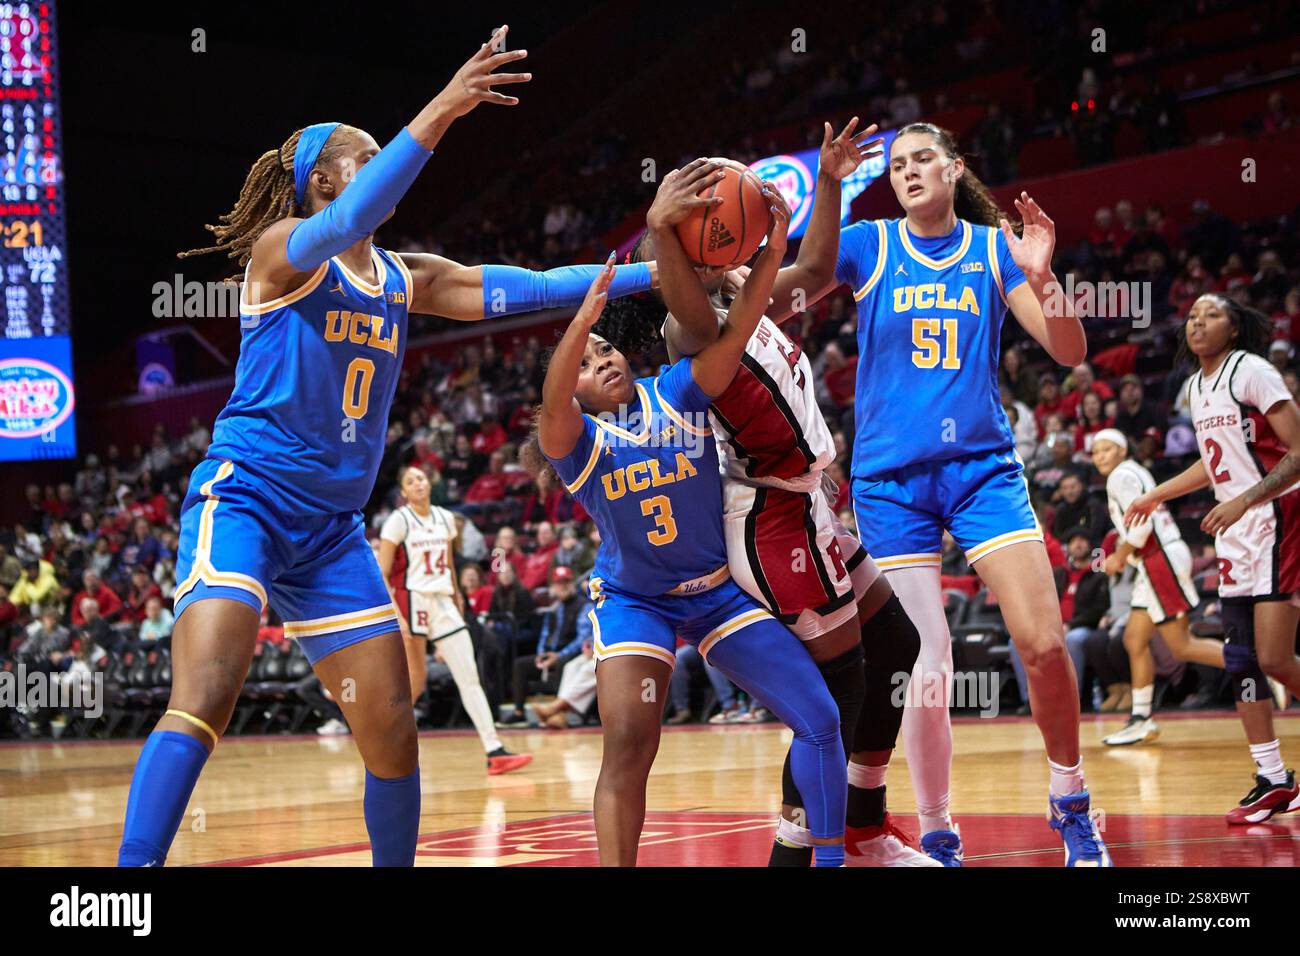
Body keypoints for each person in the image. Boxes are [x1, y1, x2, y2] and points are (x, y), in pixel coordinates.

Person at [116, 27, 657, 868]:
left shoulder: (409, 277)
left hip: (331, 532)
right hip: (247, 501)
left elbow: (540, 287)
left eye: (382, 152)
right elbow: (355, 216)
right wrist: (445, 106)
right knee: (207, 696)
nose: (378, 166)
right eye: (363, 155)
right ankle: (130, 881)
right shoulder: (281, 257)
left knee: (393, 730)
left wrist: (651, 275)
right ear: (322, 182)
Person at [771, 120, 1110, 865]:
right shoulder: (870, 243)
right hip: (891, 481)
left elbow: (1068, 349)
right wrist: (828, 182)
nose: (909, 170)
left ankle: (1071, 800)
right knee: (925, 664)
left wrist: (1045, 275)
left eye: (924, 158)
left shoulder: (995, 250)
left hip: (981, 468)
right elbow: (806, 273)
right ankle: (936, 829)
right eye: (897, 164)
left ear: (955, 169)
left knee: (1045, 645)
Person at [628, 135, 930, 866]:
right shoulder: (687, 324)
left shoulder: (739, 289)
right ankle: (797, 852)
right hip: (767, 517)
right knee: (833, 692)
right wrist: (661, 225)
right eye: (704, 217)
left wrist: (828, 182)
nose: (720, 221)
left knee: (896, 643)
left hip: (807, 502)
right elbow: (694, 307)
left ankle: (861, 826)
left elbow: (821, 269)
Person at [530, 208, 850, 867]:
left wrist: (772, 251)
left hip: (714, 594)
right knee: (628, 742)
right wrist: (579, 326)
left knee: (820, 718)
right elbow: (552, 402)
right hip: (635, 603)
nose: (603, 362)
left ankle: (831, 860)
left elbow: (735, 334)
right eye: (588, 364)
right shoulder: (576, 441)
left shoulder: (678, 390)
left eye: (606, 350)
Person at [1126, 294, 1300, 823]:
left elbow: (1298, 450)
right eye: (1194, 317)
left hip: (1275, 522)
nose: (1199, 323)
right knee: (1241, 661)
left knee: (1271, 659)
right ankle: (1272, 778)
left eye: (1213, 315)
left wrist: (1245, 500)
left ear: (1235, 328)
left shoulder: (1253, 371)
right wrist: (1157, 493)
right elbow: (1212, 460)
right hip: (1233, 532)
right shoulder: (1195, 388)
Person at [378, 464, 531, 774]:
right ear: (403, 492)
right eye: (411, 481)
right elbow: (381, 574)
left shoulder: (446, 518)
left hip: (443, 601)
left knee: (468, 675)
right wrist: (397, 615)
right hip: (411, 599)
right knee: (416, 681)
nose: (418, 483)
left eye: (421, 478)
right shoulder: (398, 521)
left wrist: (458, 596)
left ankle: (494, 750)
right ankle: (381, 734)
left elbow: (448, 563)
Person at [1090, 429, 1225, 745]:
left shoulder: (1120, 476)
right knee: (1134, 639)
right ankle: (1141, 718)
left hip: (1158, 559)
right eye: (1096, 452)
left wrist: (1117, 558)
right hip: (1156, 559)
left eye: (1107, 449)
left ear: (1123, 451)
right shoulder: (1135, 472)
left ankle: (1257, 665)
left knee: (1181, 645)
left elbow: (1141, 526)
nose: (1100, 456)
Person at [500, 565, 587, 724]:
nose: (563, 586)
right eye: (559, 583)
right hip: (551, 653)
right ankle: (519, 712)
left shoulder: (583, 605)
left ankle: (556, 712)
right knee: (520, 665)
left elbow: (582, 639)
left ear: (572, 583)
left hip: (571, 653)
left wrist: (559, 655)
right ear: (553, 586)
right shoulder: (553, 608)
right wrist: (542, 654)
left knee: (562, 663)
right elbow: (545, 634)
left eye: (566, 582)